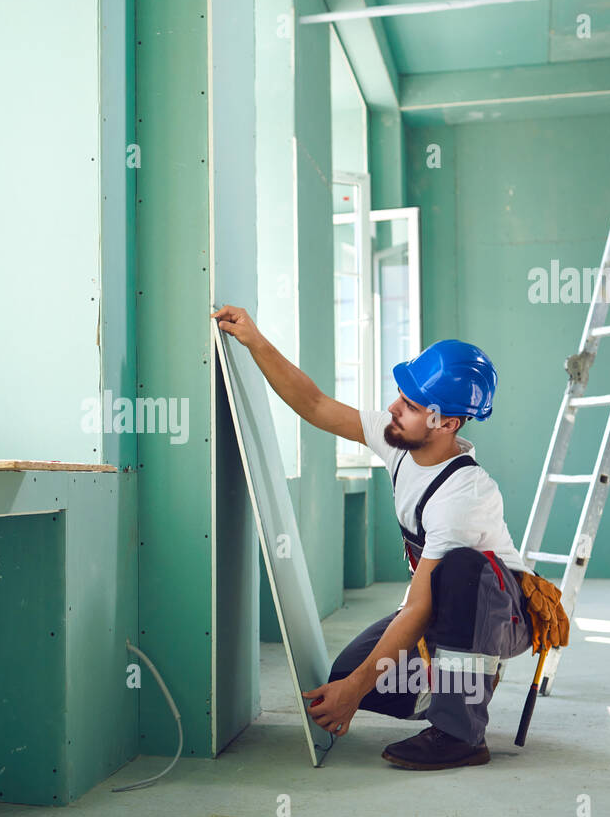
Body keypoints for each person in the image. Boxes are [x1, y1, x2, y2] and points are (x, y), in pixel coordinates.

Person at [211, 304, 536, 770]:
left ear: (446, 423)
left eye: (409, 404)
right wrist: (254, 341)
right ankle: (448, 688)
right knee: (349, 676)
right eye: (400, 395)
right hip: (444, 602)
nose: (392, 408)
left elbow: (421, 605)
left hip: (501, 612)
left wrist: (356, 692)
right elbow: (317, 405)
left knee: (462, 570)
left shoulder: (466, 494)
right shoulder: (399, 441)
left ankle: (460, 735)